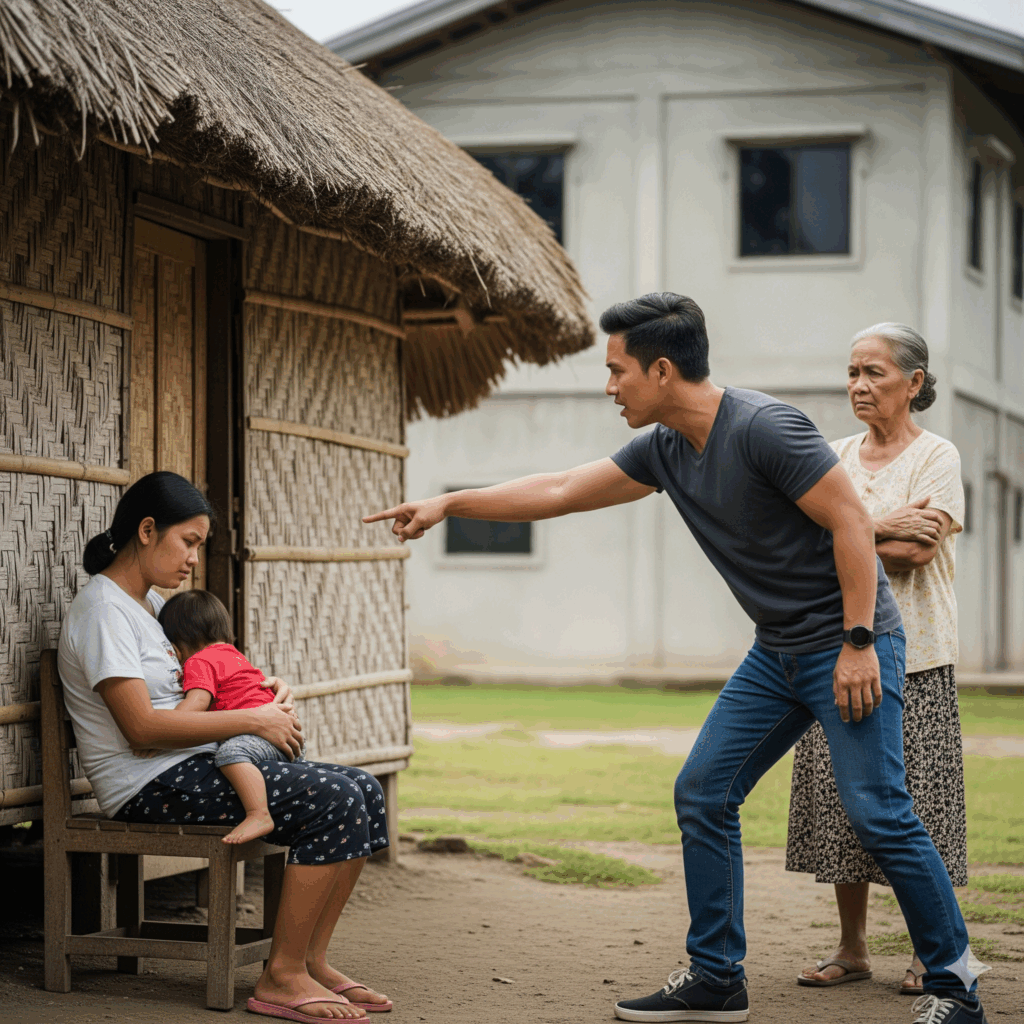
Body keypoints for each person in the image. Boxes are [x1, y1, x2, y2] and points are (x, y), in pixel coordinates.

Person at [365, 293, 987, 1024]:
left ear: (661, 370)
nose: (608, 387)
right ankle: (717, 975)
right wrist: (451, 505)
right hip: (777, 650)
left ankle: (955, 985)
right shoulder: (663, 447)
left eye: (616, 370)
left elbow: (850, 521)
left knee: (877, 811)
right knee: (703, 792)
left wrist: (857, 644)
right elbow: (563, 489)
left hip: (845, 641)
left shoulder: (766, 428)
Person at [58, 471, 392, 1022]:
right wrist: (254, 721)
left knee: (361, 787)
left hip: (186, 768)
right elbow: (142, 729)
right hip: (148, 784)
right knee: (332, 798)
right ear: (146, 530)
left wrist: (263, 694)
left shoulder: (146, 609)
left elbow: (199, 689)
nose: (193, 558)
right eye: (188, 541)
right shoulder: (103, 610)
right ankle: (281, 977)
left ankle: (310, 959)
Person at [788, 323, 974, 994]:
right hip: (832, 651)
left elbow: (918, 551)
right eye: (852, 372)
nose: (858, 386)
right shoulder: (829, 454)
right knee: (842, 807)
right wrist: (878, 528)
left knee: (918, 808)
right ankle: (852, 947)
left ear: (914, 383)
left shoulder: (937, 457)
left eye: (875, 373)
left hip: (915, 656)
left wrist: (840, 536)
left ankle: (936, 951)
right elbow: (799, 544)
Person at [154, 588, 303, 846]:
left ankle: (258, 814)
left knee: (228, 755)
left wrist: (160, 734)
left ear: (177, 648)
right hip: (287, 734)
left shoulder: (198, 662)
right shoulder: (234, 655)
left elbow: (196, 704)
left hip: (258, 737)